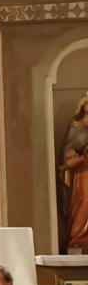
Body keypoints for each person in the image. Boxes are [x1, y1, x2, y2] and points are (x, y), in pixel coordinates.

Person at [59, 91, 88, 249]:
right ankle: (78, 237)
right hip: (82, 172)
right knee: (84, 201)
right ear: (82, 106)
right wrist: (72, 154)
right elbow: (68, 149)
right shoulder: (75, 126)